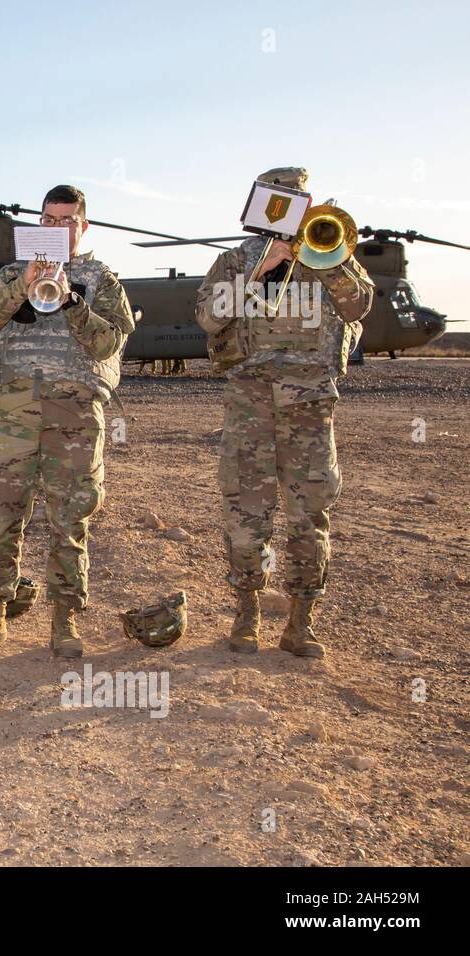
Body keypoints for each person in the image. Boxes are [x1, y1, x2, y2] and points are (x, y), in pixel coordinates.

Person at [195, 167, 373, 659]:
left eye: (298, 199)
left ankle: (300, 622)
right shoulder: (236, 260)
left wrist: (329, 260)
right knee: (245, 509)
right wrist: (262, 269)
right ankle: (247, 611)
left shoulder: (330, 247)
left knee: (309, 514)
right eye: (280, 200)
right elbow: (209, 317)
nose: (290, 208)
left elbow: (359, 307)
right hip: (250, 404)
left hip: (311, 407)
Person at [0, 184, 134, 658]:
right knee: (2, 512)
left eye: (67, 221)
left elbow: (108, 345)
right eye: (49, 220)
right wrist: (25, 282)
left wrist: (74, 301)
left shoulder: (102, 280)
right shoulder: (9, 275)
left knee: (70, 517)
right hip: (17, 412)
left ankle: (65, 620)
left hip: (76, 414)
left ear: (84, 226)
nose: (57, 228)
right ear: (39, 225)